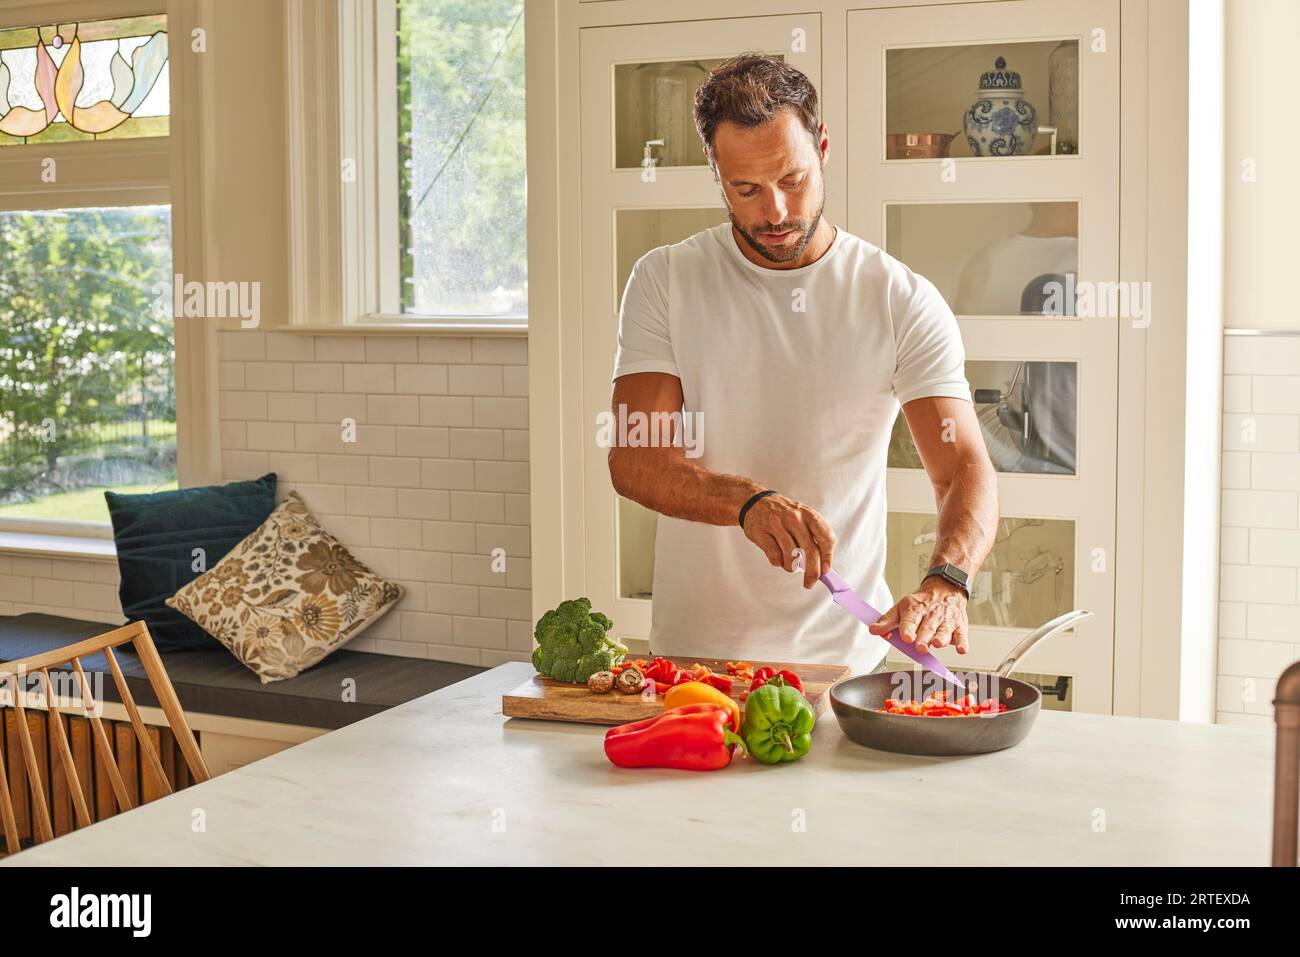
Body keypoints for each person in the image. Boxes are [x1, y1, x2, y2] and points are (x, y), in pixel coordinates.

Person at [607, 54, 999, 676]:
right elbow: (636, 460)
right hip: (696, 656)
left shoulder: (898, 298)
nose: (776, 211)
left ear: (822, 150)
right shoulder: (665, 280)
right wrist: (746, 501)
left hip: (844, 660)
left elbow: (962, 468)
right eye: (746, 189)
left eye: (793, 179)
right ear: (716, 172)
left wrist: (948, 578)